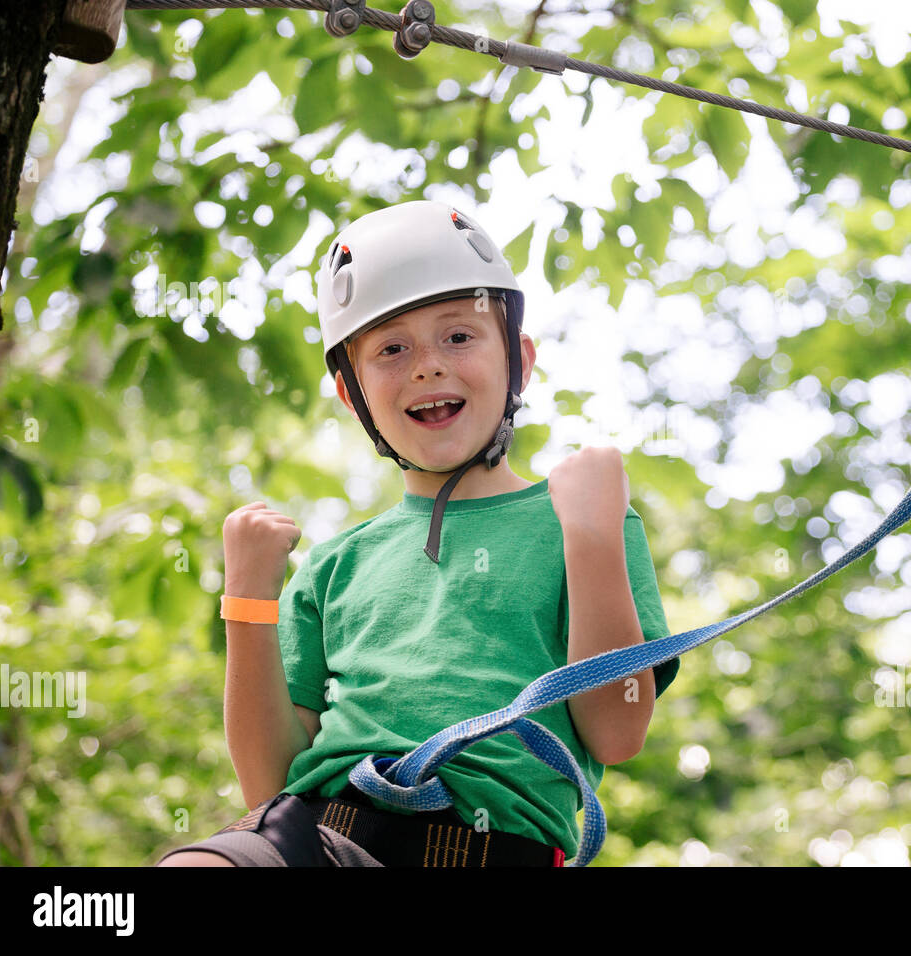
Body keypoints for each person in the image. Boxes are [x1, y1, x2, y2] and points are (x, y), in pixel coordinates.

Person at [155, 200, 679, 866]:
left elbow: (617, 732)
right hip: (325, 837)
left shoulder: (585, 520)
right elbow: (267, 786)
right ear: (352, 395)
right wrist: (248, 603)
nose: (427, 366)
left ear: (519, 361)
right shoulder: (335, 566)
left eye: (458, 336)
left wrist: (594, 536)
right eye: (392, 349)